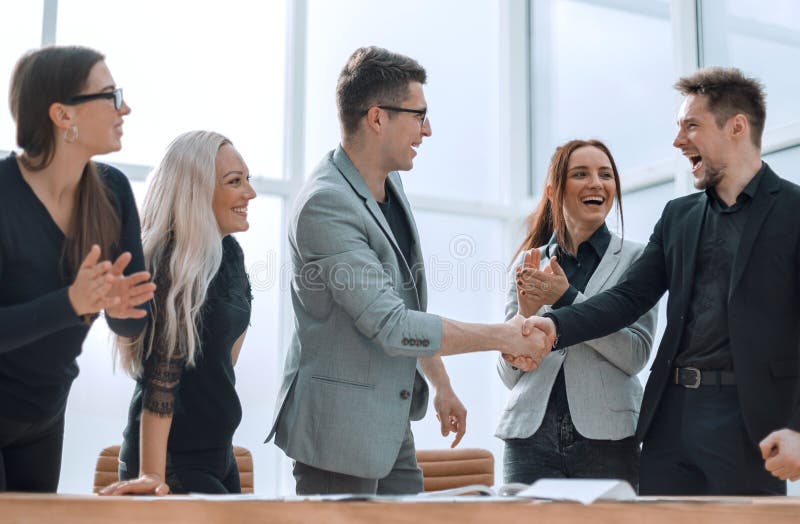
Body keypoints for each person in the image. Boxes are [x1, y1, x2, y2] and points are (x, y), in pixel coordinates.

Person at [267, 46, 550, 496]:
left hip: (388, 420)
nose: (428, 129)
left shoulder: (387, 182)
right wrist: (504, 335)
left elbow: (403, 306)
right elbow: (393, 326)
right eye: (419, 115)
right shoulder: (326, 204)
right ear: (378, 118)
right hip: (338, 436)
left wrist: (440, 383)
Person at [527, 67, 800, 495]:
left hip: (749, 423)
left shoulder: (794, 212)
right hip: (670, 418)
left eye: (691, 126)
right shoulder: (679, 216)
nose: (677, 141)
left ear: (736, 127)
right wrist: (557, 325)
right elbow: (628, 298)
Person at [0, 46, 155, 492]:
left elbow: (127, 324)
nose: (124, 107)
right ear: (62, 115)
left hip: (45, 414)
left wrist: (126, 309)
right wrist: (70, 303)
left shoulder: (113, 191)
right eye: (110, 95)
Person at [100, 131, 256, 495]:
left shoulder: (229, 252)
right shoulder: (171, 264)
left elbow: (222, 359)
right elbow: (161, 379)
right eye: (235, 182)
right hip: (172, 461)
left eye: (247, 180)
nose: (249, 193)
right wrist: (153, 475)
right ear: (196, 191)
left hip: (217, 454)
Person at [496, 140, 657, 490]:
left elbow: (635, 355)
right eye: (580, 174)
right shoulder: (529, 263)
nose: (596, 183)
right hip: (528, 436)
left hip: (610, 437)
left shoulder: (639, 259)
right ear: (554, 191)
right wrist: (521, 318)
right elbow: (508, 376)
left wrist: (567, 299)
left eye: (606, 174)